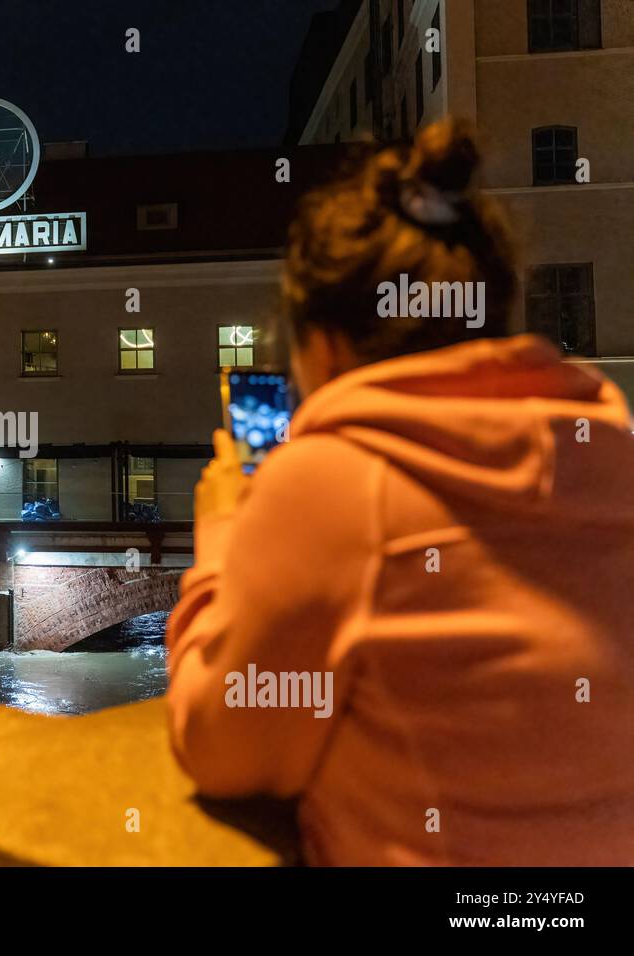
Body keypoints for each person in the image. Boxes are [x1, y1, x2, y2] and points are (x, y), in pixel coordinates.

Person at [166, 119, 634, 866]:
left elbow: (225, 743)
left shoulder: (334, 483)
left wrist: (222, 538)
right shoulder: (613, 456)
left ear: (322, 344)